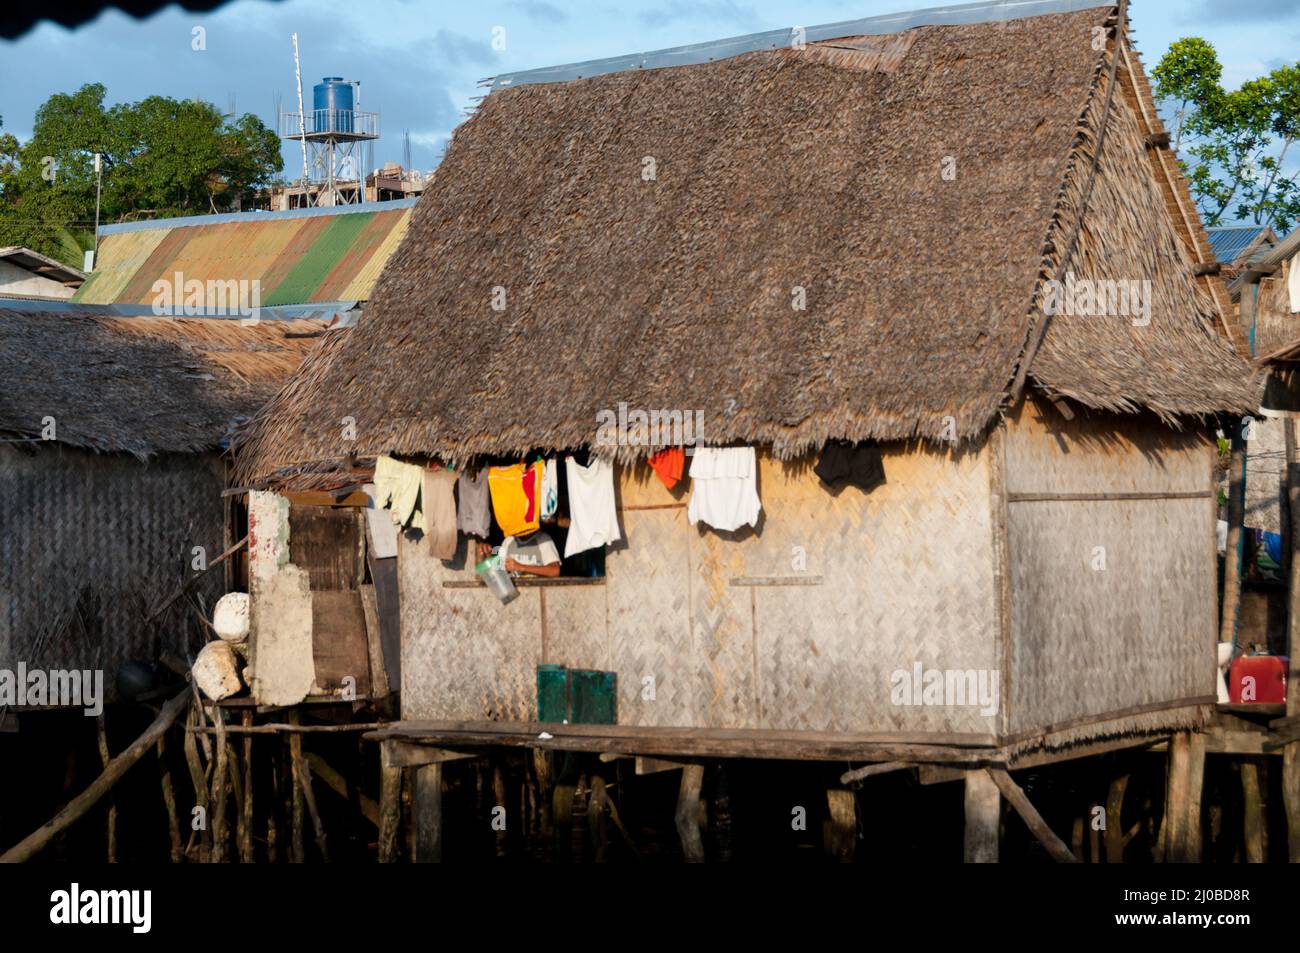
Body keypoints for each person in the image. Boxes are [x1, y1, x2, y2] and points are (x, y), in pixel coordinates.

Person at [477, 531, 561, 578]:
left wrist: (521, 567)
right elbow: (499, 573)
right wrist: (487, 554)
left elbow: (555, 571)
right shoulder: (508, 540)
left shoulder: (543, 539)